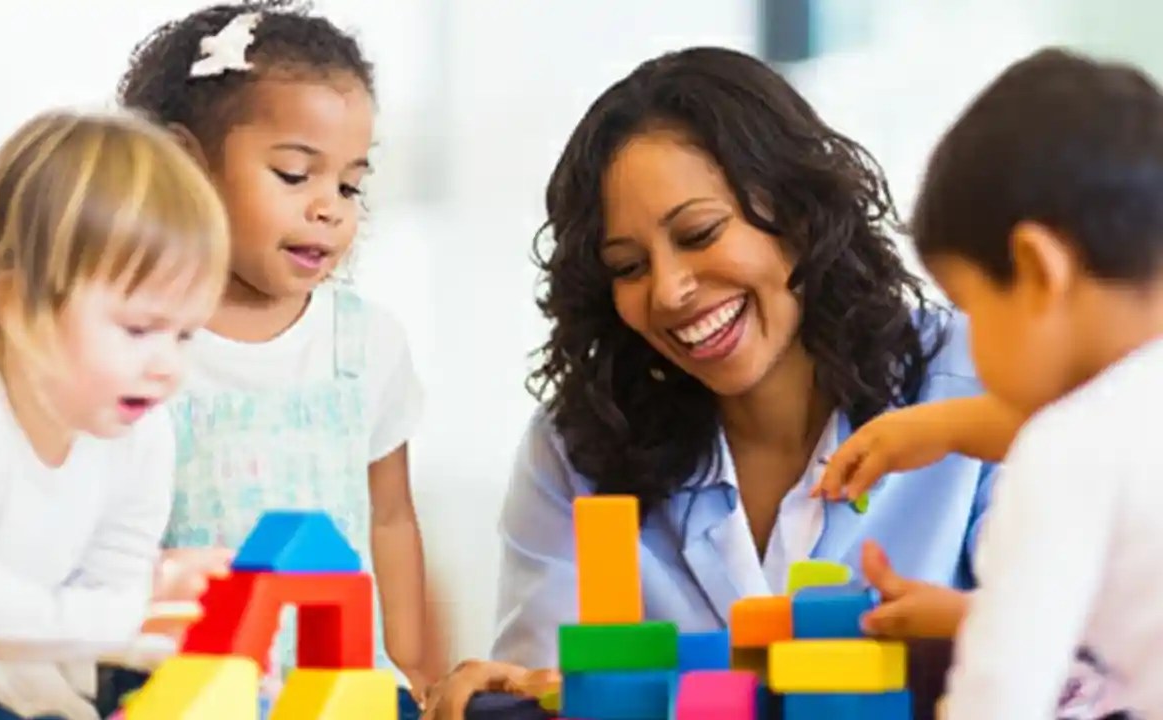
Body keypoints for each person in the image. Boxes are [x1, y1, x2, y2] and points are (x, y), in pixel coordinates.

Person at [424, 45, 995, 719]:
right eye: (628, 267)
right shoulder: (575, 449)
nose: (669, 292)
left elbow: (1079, 650)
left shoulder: (980, 380)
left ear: (798, 211)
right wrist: (514, 695)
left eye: (699, 233)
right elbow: (548, 683)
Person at [815, 48, 1163, 719]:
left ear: (1037, 270)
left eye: (971, 309)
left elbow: (997, 699)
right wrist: (941, 427)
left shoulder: (1064, 453)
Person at [116, 0, 438, 701]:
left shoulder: (366, 344)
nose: (330, 206)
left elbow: (390, 516)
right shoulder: (136, 342)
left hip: (347, 691)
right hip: (188, 697)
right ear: (185, 167)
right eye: (295, 174)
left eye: (350, 183)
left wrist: (411, 668)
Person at [0, 110, 230, 720]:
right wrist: (137, 611)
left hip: (20, 675)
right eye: (140, 328)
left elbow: (113, 586)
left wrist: (176, 640)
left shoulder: (141, 431)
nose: (168, 366)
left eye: (185, 335)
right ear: (15, 306)